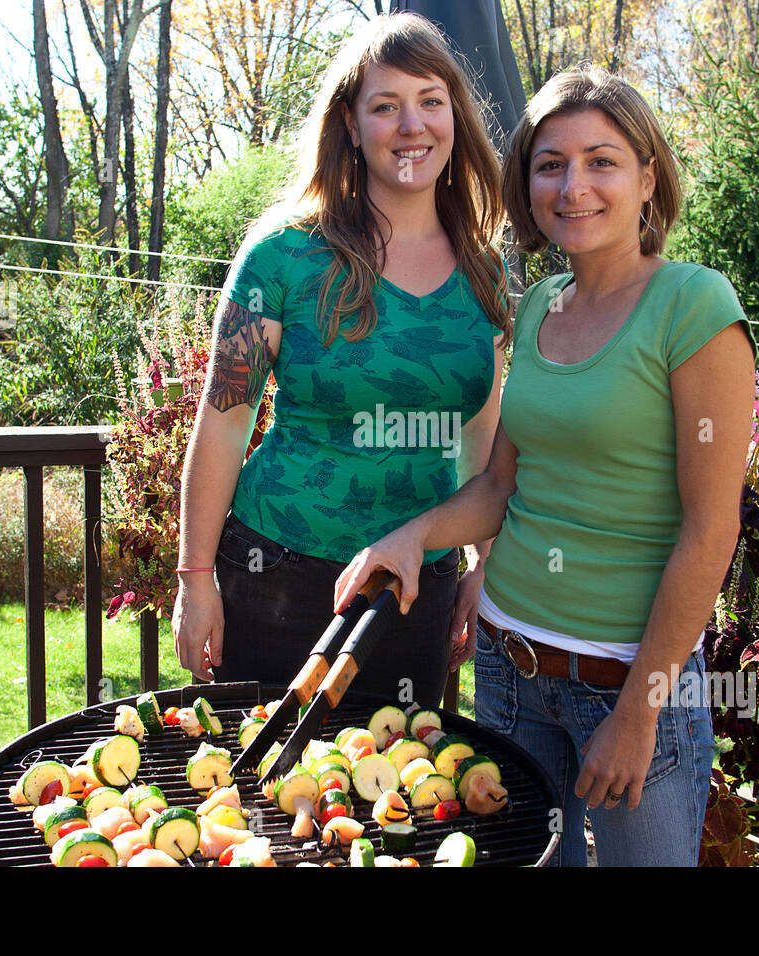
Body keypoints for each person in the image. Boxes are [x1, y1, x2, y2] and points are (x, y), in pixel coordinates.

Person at [335, 68, 757, 865]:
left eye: (602, 160)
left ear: (647, 176)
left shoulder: (694, 307)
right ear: (526, 182)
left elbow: (711, 531)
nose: (574, 185)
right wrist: (411, 537)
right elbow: (501, 486)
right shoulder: (538, 308)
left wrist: (638, 713)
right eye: (550, 163)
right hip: (506, 670)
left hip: (630, 686)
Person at [171, 12, 510, 710]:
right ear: (351, 127)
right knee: (259, 796)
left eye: (430, 101)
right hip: (276, 579)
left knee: (402, 793)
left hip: (415, 591)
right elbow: (225, 422)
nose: (411, 125)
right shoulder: (281, 255)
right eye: (385, 106)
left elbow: (480, 438)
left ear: (455, 117)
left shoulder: (485, 273)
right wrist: (195, 576)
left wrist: (483, 563)